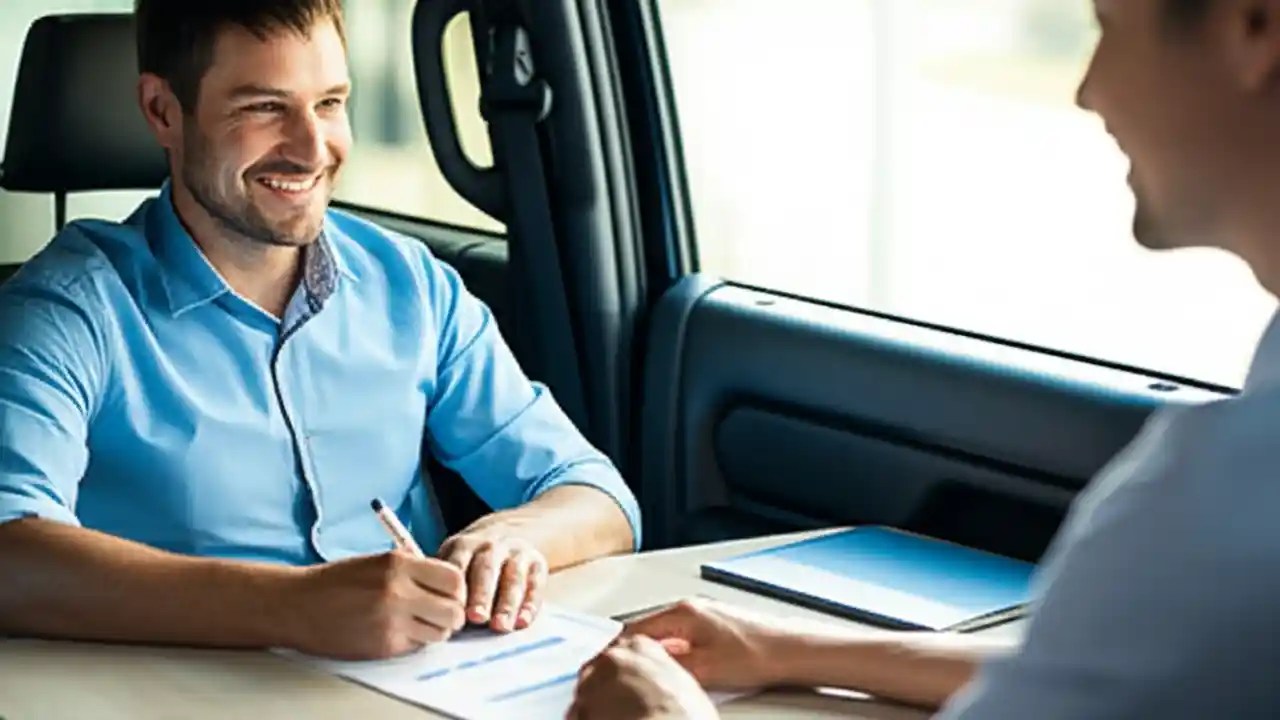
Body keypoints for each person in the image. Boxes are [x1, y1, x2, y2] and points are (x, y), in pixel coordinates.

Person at [569, 0, 1280, 717]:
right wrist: (786, 647)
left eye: (1110, 27)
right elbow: (1109, 671)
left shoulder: (1232, 493)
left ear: (1254, 26)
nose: (1088, 90)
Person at [0, 0, 640, 662]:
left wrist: (516, 539)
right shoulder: (66, 310)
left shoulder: (412, 287)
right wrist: (291, 606)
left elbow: (596, 495)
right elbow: (8, 554)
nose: (313, 148)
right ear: (164, 111)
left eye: (330, 103)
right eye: (263, 108)